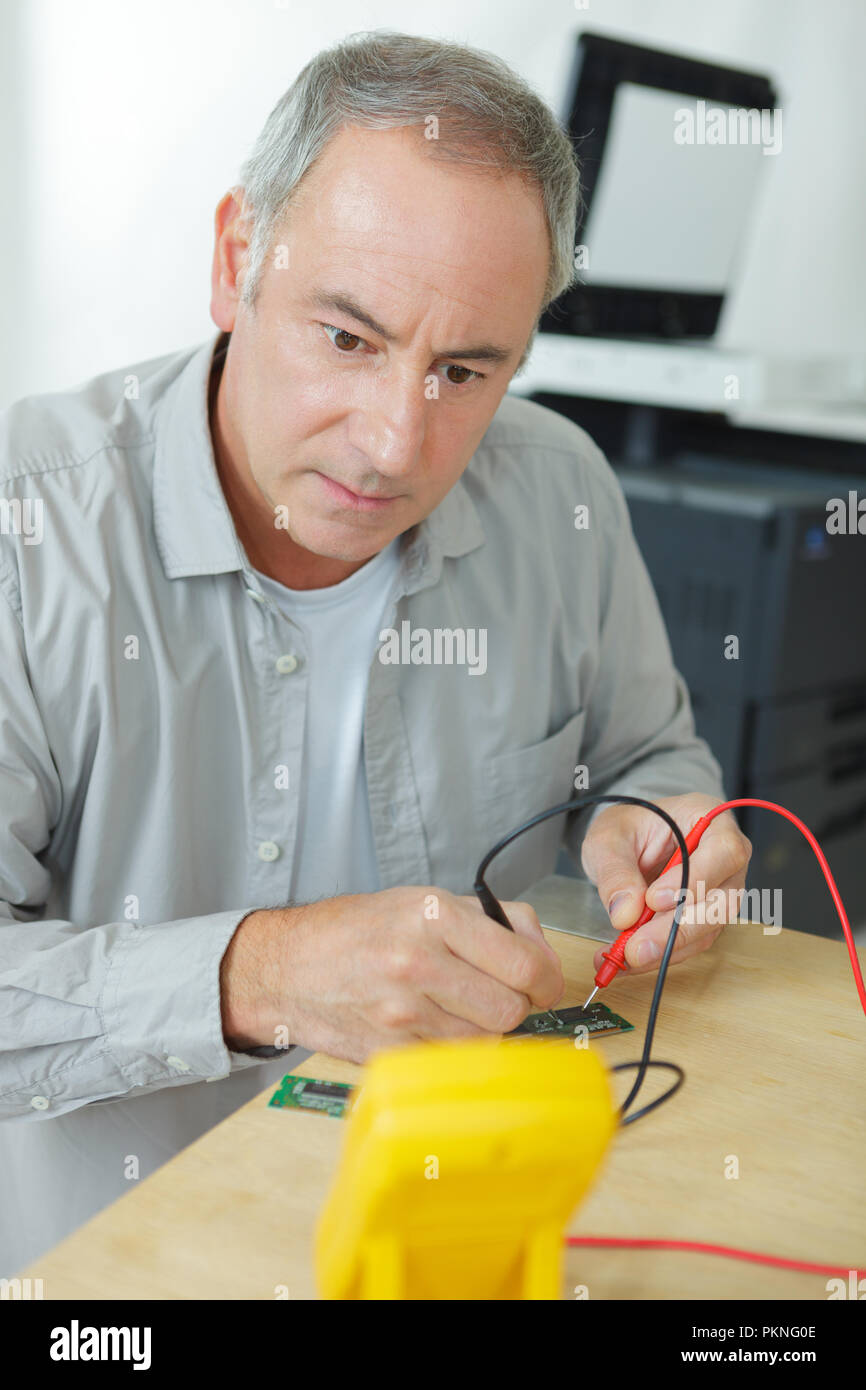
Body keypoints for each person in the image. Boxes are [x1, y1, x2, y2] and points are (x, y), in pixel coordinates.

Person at [0, 31, 750, 1274]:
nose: (397, 443)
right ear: (238, 259)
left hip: (465, 1232)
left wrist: (667, 824)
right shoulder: (28, 528)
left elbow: (652, 753)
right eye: (347, 339)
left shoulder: (560, 491)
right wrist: (261, 972)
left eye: (465, 369)